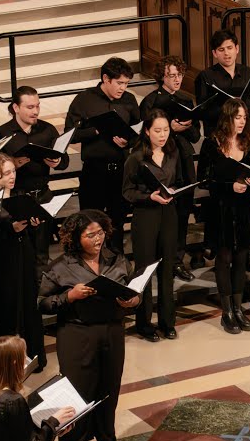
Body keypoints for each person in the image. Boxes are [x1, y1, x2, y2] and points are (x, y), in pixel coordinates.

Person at [38, 210, 140, 441]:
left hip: (112, 331)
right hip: (77, 333)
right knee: (77, 391)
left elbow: (132, 288)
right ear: (75, 238)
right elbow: (42, 303)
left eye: (100, 232)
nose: (98, 239)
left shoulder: (115, 258)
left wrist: (132, 300)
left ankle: (108, 439)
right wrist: (69, 296)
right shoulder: (61, 266)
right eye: (90, 234)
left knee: (110, 386)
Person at [197, 99, 250, 334]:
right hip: (221, 208)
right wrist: (229, 187)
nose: (242, 122)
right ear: (227, 118)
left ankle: (238, 308)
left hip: (244, 207)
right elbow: (204, 180)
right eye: (238, 117)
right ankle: (227, 312)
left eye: (245, 117)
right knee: (224, 259)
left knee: (242, 259)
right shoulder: (211, 144)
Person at [121, 108, 188, 341]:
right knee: (145, 271)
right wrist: (148, 197)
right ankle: (144, 324)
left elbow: (179, 181)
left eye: (166, 130)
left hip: (169, 214)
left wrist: (174, 192)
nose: (162, 135)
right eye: (157, 130)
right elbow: (127, 192)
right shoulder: (136, 157)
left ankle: (168, 321)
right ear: (147, 131)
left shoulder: (173, 153)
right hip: (145, 216)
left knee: (167, 270)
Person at [66, 57, 141, 253]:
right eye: (119, 83)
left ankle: (116, 262)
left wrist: (129, 141)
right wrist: (96, 131)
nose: (123, 88)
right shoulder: (84, 100)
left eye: (126, 83)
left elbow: (138, 132)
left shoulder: (129, 100)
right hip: (94, 171)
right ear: (106, 79)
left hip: (120, 171)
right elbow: (69, 134)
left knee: (117, 222)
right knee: (90, 222)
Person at [0, 153, 47, 371]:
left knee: (29, 301)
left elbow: (30, 221)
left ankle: (34, 355)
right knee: (7, 305)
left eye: (14, 171)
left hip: (24, 253)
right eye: (7, 173)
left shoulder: (19, 193)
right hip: (3, 258)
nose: (12, 176)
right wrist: (10, 228)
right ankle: (7, 360)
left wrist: (35, 224)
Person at [139, 55, 201, 279]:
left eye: (179, 75)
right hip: (162, 161)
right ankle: (158, 260)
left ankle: (177, 260)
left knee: (183, 213)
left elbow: (195, 136)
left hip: (184, 161)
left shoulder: (185, 98)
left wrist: (187, 126)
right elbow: (144, 137)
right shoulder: (151, 101)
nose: (177, 79)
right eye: (171, 75)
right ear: (161, 77)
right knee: (162, 213)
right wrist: (171, 128)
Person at [0, 85, 68, 271]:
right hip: (16, 198)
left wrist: (57, 161)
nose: (35, 111)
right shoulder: (2, 133)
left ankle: (40, 295)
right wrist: (12, 164)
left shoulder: (47, 130)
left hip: (43, 196)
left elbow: (65, 160)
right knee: (18, 252)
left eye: (37, 106)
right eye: (30, 107)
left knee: (42, 253)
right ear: (15, 108)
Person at [193, 29, 250, 140]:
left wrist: (241, 104)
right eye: (221, 49)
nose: (226, 53)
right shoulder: (205, 76)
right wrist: (228, 107)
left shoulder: (249, 73)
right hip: (216, 133)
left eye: (230, 48)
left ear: (237, 49)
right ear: (214, 53)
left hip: (244, 133)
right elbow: (202, 111)